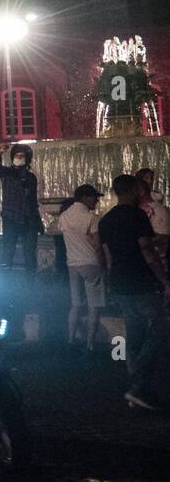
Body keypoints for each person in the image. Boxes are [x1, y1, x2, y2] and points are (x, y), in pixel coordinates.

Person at [99, 174, 170, 410]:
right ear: (131, 190)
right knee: (161, 328)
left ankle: (139, 390)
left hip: (119, 281)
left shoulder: (106, 220)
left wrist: (109, 281)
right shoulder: (137, 215)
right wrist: (164, 279)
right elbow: (147, 251)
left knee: (135, 332)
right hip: (139, 280)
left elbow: (108, 256)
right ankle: (138, 386)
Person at [59, 184, 104, 352]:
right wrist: (104, 266)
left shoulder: (64, 216)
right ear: (85, 198)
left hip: (73, 264)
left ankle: (70, 340)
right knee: (95, 306)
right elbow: (98, 246)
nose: (97, 201)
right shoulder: (92, 218)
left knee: (75, 304)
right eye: (95, 197)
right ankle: (90, 345)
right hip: (91, 263)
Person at [0, 142, 43, 286]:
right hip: (11, 219)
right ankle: (5, 283)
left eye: (22, 156)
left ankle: (30, 283)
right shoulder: (7, 173)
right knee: (8, 252)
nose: (20, 158)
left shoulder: (31, 177)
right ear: (13, 157)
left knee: (30, 253)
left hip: (29, 220)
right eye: (17, 156)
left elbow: (31, 198)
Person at [135, 168, 170, 264]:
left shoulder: (156, 199)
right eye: (146, 178)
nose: (150, 181)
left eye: (151, 178)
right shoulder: (136, 201)